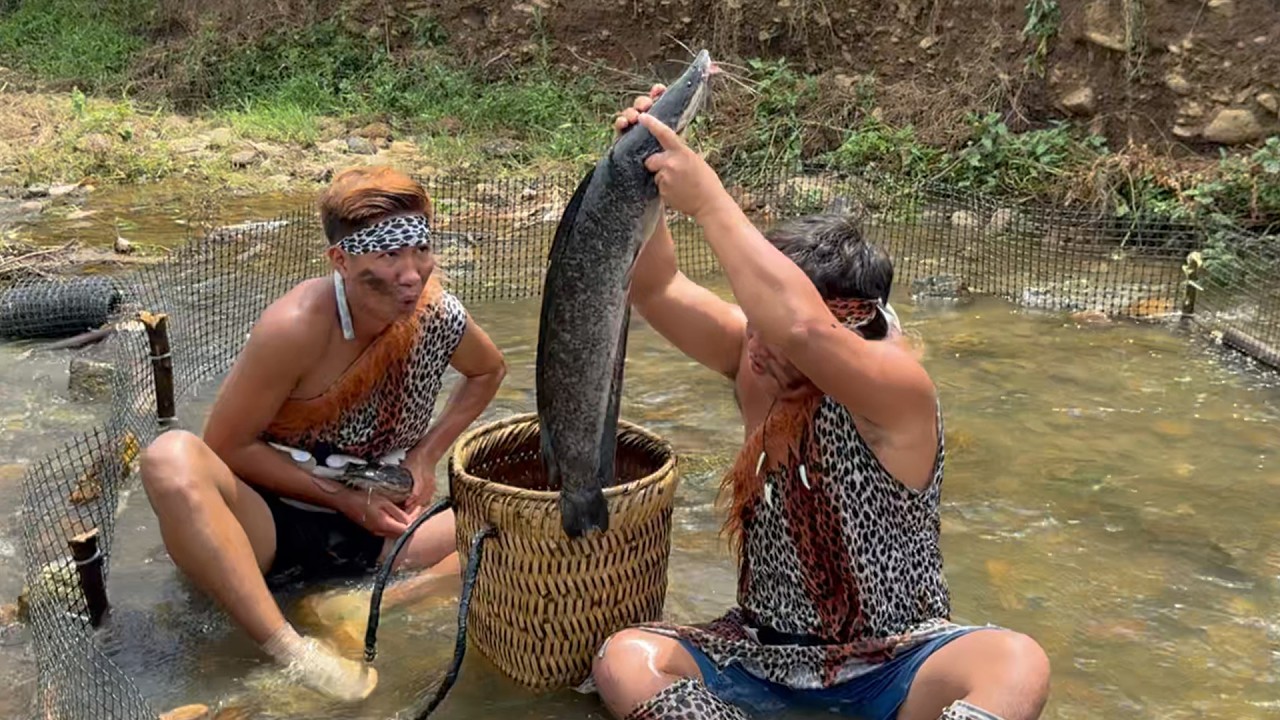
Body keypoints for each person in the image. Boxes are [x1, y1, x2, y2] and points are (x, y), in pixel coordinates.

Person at [587, 89, 1051, 720]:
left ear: (850, 334)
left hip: (893, 659)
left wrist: (708, 197)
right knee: (626, 658)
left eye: (770, 326)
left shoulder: (896, 389)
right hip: (761, 652)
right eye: (754, 323)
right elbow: (657, 284)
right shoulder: (756, 355)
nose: (758, 345)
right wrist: (640, 163)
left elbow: (802, 329)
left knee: (1016, 662)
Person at [139, 165, 507, 702]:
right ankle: (291, 649)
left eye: (420, 250)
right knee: (168, 457)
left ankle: (354, 607)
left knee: (527, 516)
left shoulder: (436, 315)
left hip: (378, 517)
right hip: (269, 524)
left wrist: (425, 459)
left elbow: (488, 371)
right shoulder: (295, 326)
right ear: (341, 260)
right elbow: (227, 447)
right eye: (387, 255)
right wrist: (344, 501)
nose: (410, 275)